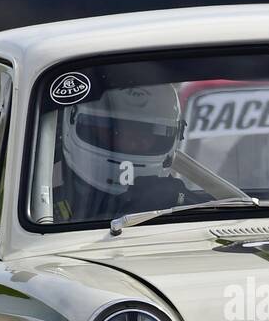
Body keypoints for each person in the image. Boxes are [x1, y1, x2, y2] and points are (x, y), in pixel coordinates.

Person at [56, 83, 200, 220]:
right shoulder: (40, 205)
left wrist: (184, 203)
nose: (133, 141)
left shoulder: (178, 200)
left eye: (146, 131)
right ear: (72, 120)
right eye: (114, 130)